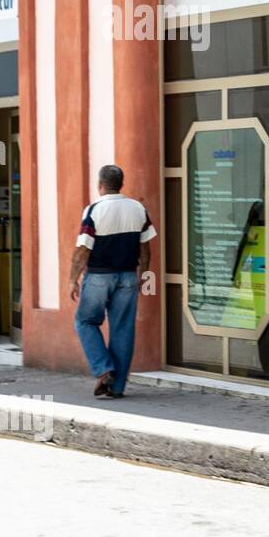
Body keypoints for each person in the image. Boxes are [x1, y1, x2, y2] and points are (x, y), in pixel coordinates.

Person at [68, 164, 155, 399]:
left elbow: (83, 248)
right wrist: (143, 275)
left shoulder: (94, 210)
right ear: (121, 184)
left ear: (100, 185)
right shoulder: (138, 208)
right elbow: (145, 248)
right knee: (123, 330)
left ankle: (104, 368)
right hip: (127, 276)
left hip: (98, 276)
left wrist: (72, 279)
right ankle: (117, 388)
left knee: (85, 321)